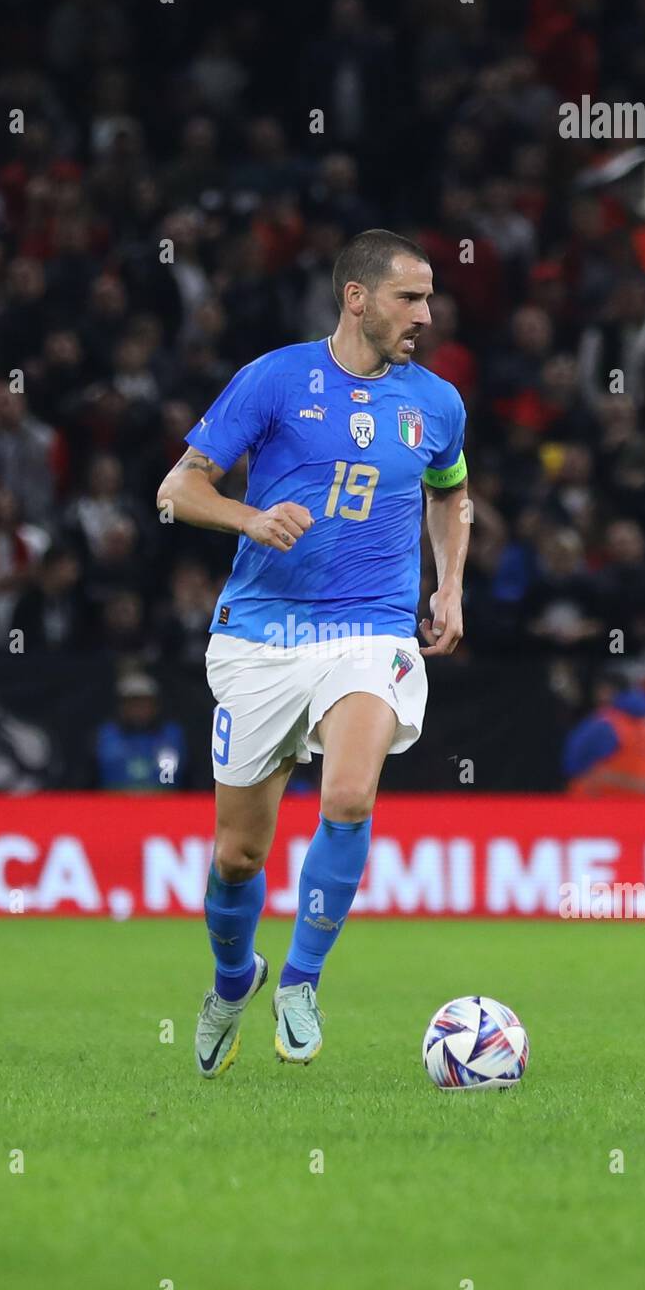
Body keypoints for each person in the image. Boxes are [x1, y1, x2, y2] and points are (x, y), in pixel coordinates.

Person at [157, 228, 469, 1077]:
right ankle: (233, 980)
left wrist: (449, 586)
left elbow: (452, 494)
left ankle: (300, 979)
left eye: (430, 297)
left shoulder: (437, 403)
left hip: (371, 629)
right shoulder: (274, 379)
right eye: (411, 297)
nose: (427, 315)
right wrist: (250, 518)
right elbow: (178, 488)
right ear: (357, 298)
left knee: (350, 795)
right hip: (263, 635)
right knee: (239, 855)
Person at [562, 669, 645, 797]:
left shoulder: (604, 724)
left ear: (605, 690)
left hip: (597, 802)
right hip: (637, 804)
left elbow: (572, 762)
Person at [95, 672, 187, 790]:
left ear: (156, 706)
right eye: (133, 703)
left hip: (164, 802)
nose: (138, 709)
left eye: (144, 703)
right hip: (113, 802)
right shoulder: (105, 735)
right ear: (122, 706)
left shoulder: (172, 735)